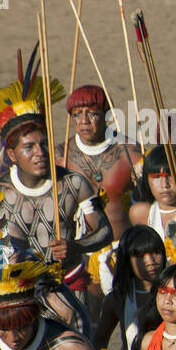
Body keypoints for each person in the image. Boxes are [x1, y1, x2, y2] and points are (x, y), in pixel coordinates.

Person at [0, 82, 112, 296]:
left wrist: (77, 246)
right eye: (29, 147)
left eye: (44, 144)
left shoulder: (73, 183)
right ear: (12, 154)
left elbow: (105, 231)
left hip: (68, 284)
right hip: (19, 292)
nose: (40, 153)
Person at [62, 85, 139, 245]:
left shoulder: (130, 152)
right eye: (77, 114)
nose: (84, 121)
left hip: (123, 249)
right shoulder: (60, 157)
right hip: (77, 252)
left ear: (107, 115)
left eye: (92, 113)